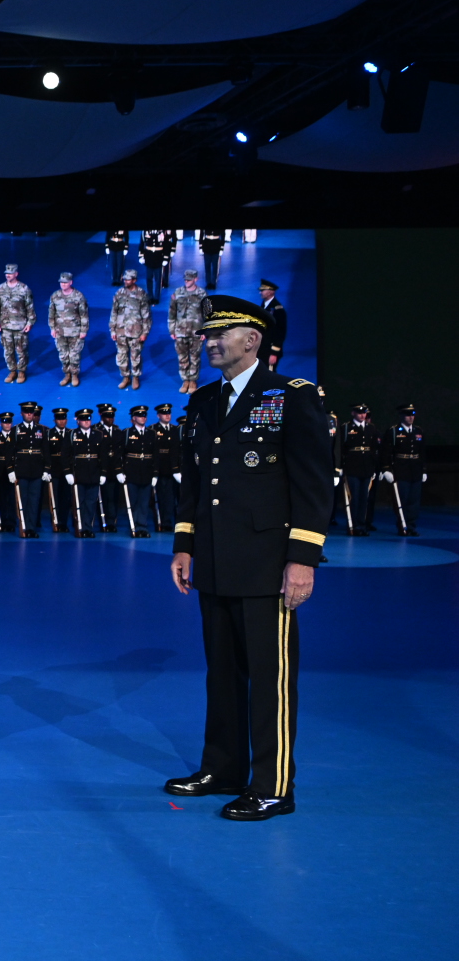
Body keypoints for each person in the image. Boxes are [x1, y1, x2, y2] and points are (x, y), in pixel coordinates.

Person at [168, 295, 330, 821]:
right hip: (216, 560)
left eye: (221, 333)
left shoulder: (291, 396)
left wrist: (302, 559)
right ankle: (223, 768)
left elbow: (313, 486)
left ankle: (273, 785)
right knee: (222, 673)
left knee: (270, 678)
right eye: (207, 335)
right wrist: (185, 544)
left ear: (252, 339)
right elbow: (195, 482)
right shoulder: (203, 401)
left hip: (267, 564)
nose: (210, 342)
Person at [382, 403, 424, 536]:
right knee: (402, 500)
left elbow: (422, 452)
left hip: (415, 469)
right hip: (401, 470)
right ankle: (402, 526)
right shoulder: (394, 431)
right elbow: (386, 451)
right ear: (401, 416)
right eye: (407, 415)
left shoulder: (418, 431)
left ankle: (411, 526)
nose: (411, 417)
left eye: (412, 415)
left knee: (414, 500)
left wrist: (423, 470)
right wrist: (386, 469)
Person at [8, 400, 49, 537]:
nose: (29, 414)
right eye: (26, 412)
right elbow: (10, 452)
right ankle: (23, 526)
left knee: (34, 501)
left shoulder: (41, 430)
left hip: (37, 470)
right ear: (22, 413)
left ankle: (31, 528)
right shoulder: (15, 430)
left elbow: (46, 451)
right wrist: (10, 470)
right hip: (21, 470)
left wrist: (46, 469)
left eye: (31, 412)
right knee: (23, 500)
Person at [64, 408, 104, 537]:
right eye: (83, 419)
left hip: (94, 473)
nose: (86, 421)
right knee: (79, 502)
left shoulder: (98, 434)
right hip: (78, 473)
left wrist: (103, 473)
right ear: (78, 421)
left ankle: (88, 528)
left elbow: (103, 455)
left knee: (91, 503)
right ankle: (80, 527)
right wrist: (68, 472)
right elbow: (65, 455)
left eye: (88, 419)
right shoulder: (72, 434)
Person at [0, 264, 35, 384]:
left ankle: (21, 371)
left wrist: (30, 322)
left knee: (21, 350)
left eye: (10, 273)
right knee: (8, 350)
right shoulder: (0, 288)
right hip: (5, 326)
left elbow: (30, 307)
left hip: (20, 325)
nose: (8, 275)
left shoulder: (24, 288)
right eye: (6, 273)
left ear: (16, 274)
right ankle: (12, 371)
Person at [109, 269, 151, 390]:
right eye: (125, 279)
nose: (126, 281)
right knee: (121, 355)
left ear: (134, 280)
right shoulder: (119, 293)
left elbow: (146, 315)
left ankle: (135, 377)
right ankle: (125, 377)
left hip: (135, 331)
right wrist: (112, 330)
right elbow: (114, 312)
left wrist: (145, 332)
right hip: (121, 330)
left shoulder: (141, 294)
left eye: (128, 279)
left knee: (135, 356)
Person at [167, 267, 207, 393]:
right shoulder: (177, 292)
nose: (187, 281)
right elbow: (172, 313)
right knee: (182, 357)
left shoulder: (202, 294)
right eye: (185, 279)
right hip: (180, 331)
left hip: (196, 331)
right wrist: (172, 330)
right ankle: (185, 380)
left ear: (196, 279)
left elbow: (207, 314)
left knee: (195, 357)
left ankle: (193, 381)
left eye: (189, 280)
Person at [340, 404, 378, 535]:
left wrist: (374, 467)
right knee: (354, 497)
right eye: (359, 413)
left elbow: (374, 448)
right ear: (353, 413)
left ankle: (362, 525)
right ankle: (353, 525)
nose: (362, 415)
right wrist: (340, 466)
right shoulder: (346, 427)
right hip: (352, 467)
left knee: (364, 497)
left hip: (367, 467)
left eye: (364, 413)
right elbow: (341, 448)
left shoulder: (371, 428)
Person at [118, 405, 155, 537]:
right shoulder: (127, 433)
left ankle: (143, 527)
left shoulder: (151, 433)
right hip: (131, 472)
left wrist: (155, 474)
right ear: (134, 418)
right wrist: (120, 471)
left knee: (144, 502)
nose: (143, 418)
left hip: (147, 472)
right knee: (133, 501)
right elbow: (120, 453)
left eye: (144, 415)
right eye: (139, 416)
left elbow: (155, 455)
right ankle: (134, 527)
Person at [47, 272, 89, 387]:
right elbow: (51, 314)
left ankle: (74, 375)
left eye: (65, 283)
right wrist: (52, 328)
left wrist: (83, 330)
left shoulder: (78, 296)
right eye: (61, 282)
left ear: (71, 282)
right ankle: (67, 374)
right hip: (60, 331)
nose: (63, 284)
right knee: (63, 355)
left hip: (75, 331)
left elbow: (84, 315)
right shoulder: (55, 296)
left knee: (74, 355)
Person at [150, 402, 180, 533]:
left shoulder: (175, 429)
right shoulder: (153, 430)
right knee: (163, 498)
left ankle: (174, 522)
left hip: (175, 469)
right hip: (161, 469)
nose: (167, 415)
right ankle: (164, 522)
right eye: (164, 413)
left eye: (169, 413)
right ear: (158, 415)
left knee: (174, 498)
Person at [96, 403, 123, 530]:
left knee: (113, 497)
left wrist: (120, 470)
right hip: (101, 469)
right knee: (103, 497)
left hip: (114, 470)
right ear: (102, 416)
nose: (110, 418)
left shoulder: (118, 431)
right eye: (107, 416)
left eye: (112, 416)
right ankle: (102, 522)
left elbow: (120, 451)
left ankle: (112, 521)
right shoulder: (96, 430)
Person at [46, 407, 73, 532]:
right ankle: (55, 522)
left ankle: (63, 523)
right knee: (55, 498)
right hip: (54, 470)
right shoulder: (49, 433)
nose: (62, 421)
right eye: (59, 419)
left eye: (63, 419)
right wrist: (47, 469)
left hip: (67, 471)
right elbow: (46, 453)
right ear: (54, 420)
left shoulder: (71, 433)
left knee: (66, 498)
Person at [0, 410, 16, 532]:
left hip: (13, 471)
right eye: (5, 422)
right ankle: (3, 521)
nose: (7, 424)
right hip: (0, 471)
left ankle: (12, 522)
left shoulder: (15, 436)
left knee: (12, 498)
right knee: (2, 498)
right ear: (0, 423)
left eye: (9, 422)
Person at [258, 279, 287, 370]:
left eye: (263, 290)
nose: (260, 292)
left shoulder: (278, 310)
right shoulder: (263, 306)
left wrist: (274, 353)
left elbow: (280, 332)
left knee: (269, 374)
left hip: (270, 350)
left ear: (271, 292)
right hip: (261, 349)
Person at [140, 229, 169, 304]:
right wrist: (141, 256)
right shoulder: (145, 231)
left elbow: (166, 245)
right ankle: (150, 296)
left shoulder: (163, 232)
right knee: (148, 278)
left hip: (158, 258)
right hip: (149, 257)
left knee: (158, 279)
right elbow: (142, 244)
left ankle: (156, 297)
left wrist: (166, 258)